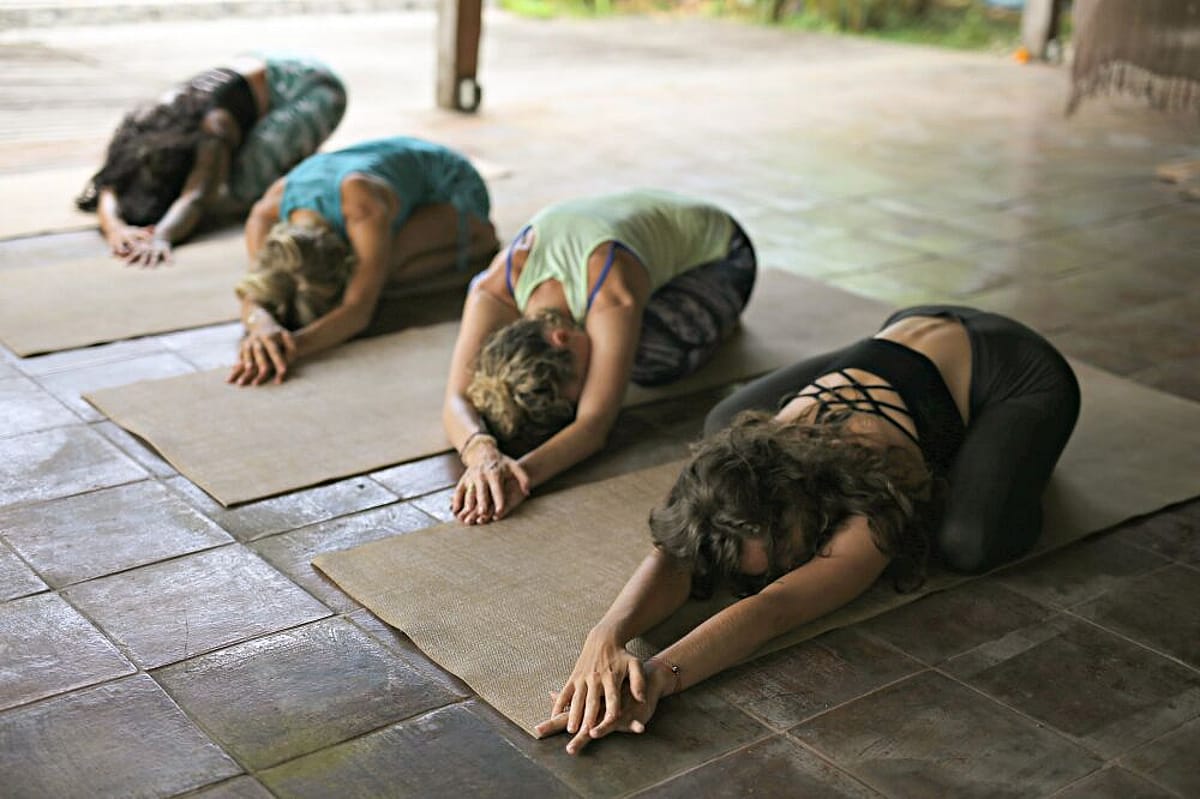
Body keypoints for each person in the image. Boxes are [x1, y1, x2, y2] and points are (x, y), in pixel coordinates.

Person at [537, 305, 1080, 754]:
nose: (773, 572)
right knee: (722, 425)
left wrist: (658, 676)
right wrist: (604, 638)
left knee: (970, 539)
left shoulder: (873, 495)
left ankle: (1006, 456)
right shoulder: (744, 455)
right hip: (907, 331)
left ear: (811, 504)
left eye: (778, 557)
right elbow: (679, 547)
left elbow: (777, 607)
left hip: (1015, 367)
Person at [443, 189, 757, 525]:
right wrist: (480, 453)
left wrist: (521, 474)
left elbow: (594, 424)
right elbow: (456, 397)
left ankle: (718, 317)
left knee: (649, 358)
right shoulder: (491, 289)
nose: (588, 381)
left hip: (724, 253)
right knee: (619, 349)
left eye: (581, 377)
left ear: (561, 338)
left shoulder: (611, 290)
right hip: (627, 241)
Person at [229, 136, 499, 386]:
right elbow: (252, 290)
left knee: (384, 270)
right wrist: (261, 325)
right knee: (371, 269)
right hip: (385, 179)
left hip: (452, 185)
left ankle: (474, 237)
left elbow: (358, 310)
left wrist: (289, 346)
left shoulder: (363, 212)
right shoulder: (264, 216)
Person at [77, 54, 346, 267]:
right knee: (228, 172)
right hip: (264, 67)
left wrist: (161, 236)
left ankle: (303, 161)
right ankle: (290, 152)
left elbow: (197, 196)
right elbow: (110, 182)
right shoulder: (143, 126)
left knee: (244, 187)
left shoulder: (212, 128)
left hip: (314, 88)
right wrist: (115, 228)